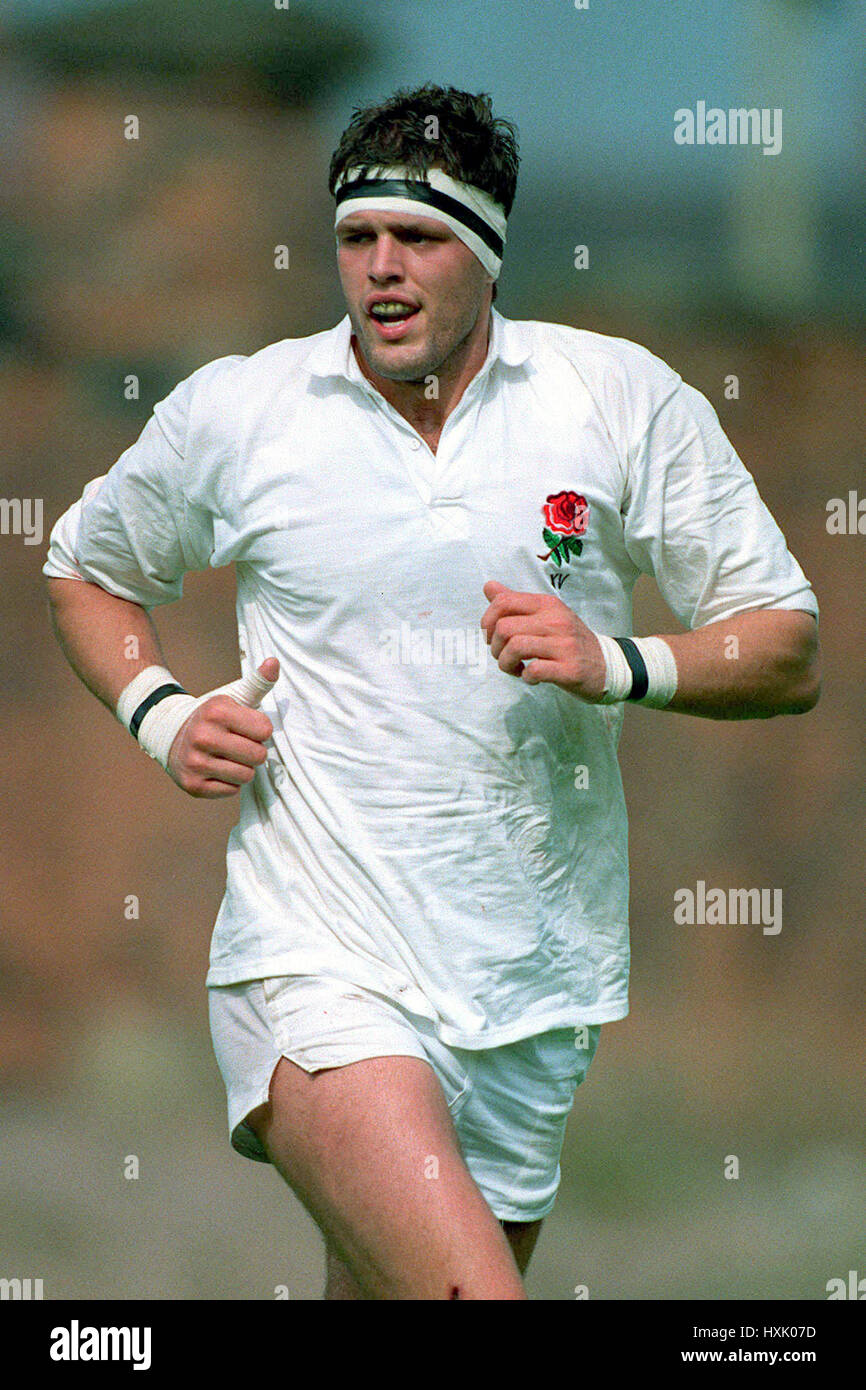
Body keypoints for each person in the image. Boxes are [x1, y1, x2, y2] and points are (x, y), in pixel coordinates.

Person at [43, 84, 820, 1300]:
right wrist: (162, 711)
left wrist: (618, 663)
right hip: (316, 963)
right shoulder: (245, 410)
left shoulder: (615, 399)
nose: (380, 268)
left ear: (487, 254)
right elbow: (84, 570)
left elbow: (784, 646)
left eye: (417, 237)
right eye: (356, 238)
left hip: (531, 990)